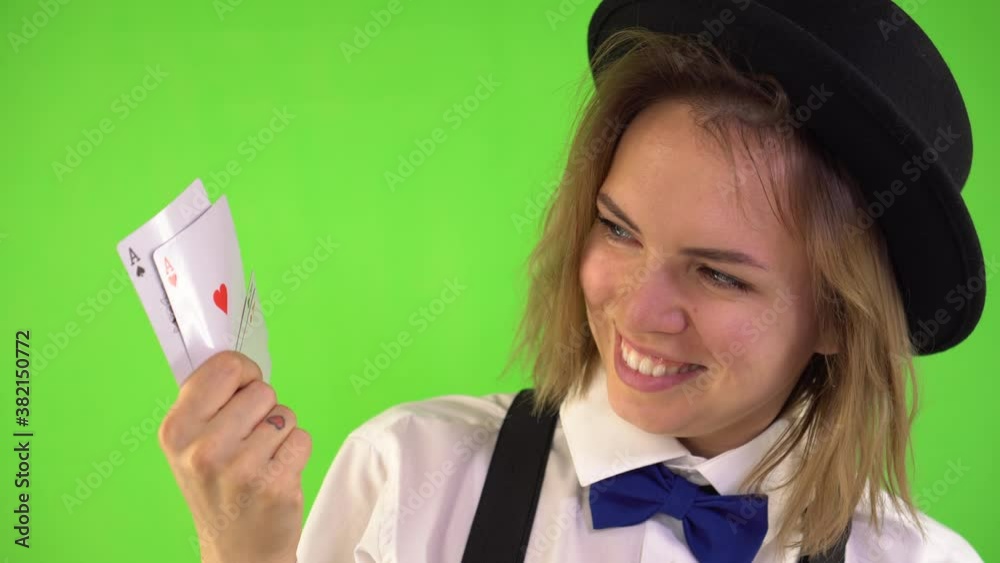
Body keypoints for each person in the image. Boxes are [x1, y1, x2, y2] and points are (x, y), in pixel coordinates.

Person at [157, 1, 988, 562]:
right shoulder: (407, 473)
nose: (639, 308)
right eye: (618, 229)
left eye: (716, 274)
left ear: (839, 316)